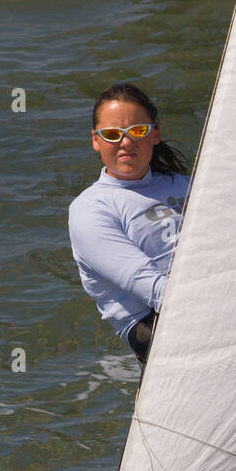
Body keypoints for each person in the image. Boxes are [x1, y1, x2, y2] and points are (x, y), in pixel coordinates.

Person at [68, 83, 191, 366]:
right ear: (95, 141)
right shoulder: (90, 209)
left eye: (137, 132)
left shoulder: (192, 185)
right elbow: (148, 284)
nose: (125, 143)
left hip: (215, 293)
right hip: (156, 323)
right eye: (112, 135)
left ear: (155, 133)